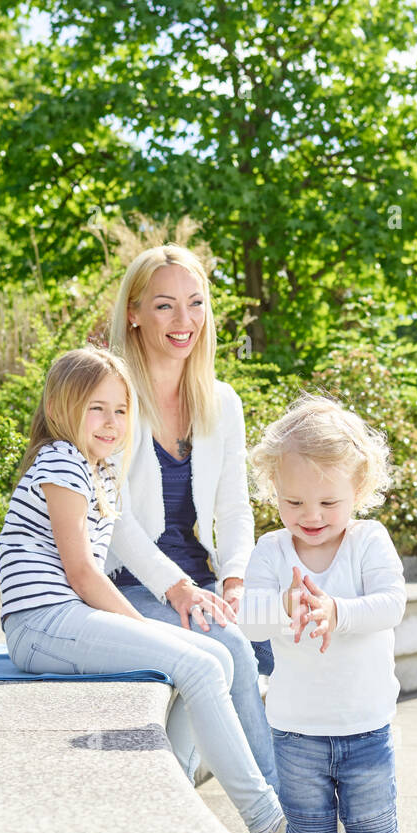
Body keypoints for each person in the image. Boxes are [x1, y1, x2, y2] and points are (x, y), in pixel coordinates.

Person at [0, 346, 286, 833]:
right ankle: (270, 827)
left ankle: (165, 809)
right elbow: (81, 572)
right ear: (64, 408)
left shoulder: (100, 468)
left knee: (218, 659)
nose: (111, 423)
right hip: (40, 623)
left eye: (121, 410)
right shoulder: (62, 460)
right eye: (96, 409)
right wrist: (146, 631)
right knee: (198, 661)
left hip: (64, 618)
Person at [104, 244, 278, 801]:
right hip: (129, 585)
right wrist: (180, 591)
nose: (185, 322)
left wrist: (233, 578)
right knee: (228, 648)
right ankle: (283, 818)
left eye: (196, 303)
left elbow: (234, 509)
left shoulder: (221, 401)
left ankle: (169, 800)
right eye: (164, 306)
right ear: (133, 312)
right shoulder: (110, 396)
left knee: (291, 632)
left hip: (201, 582)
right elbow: (115, 521)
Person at [239, 395, 413, 833]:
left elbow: (392, 604)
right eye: (293, 503)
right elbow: (247, 619)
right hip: (296, 735)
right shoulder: (272, 552)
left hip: (366, 730)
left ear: (358, 489)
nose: (310, 516)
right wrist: (286, 603)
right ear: (274, 491)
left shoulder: (368, 543)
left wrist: (335, 611)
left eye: (327, 503)